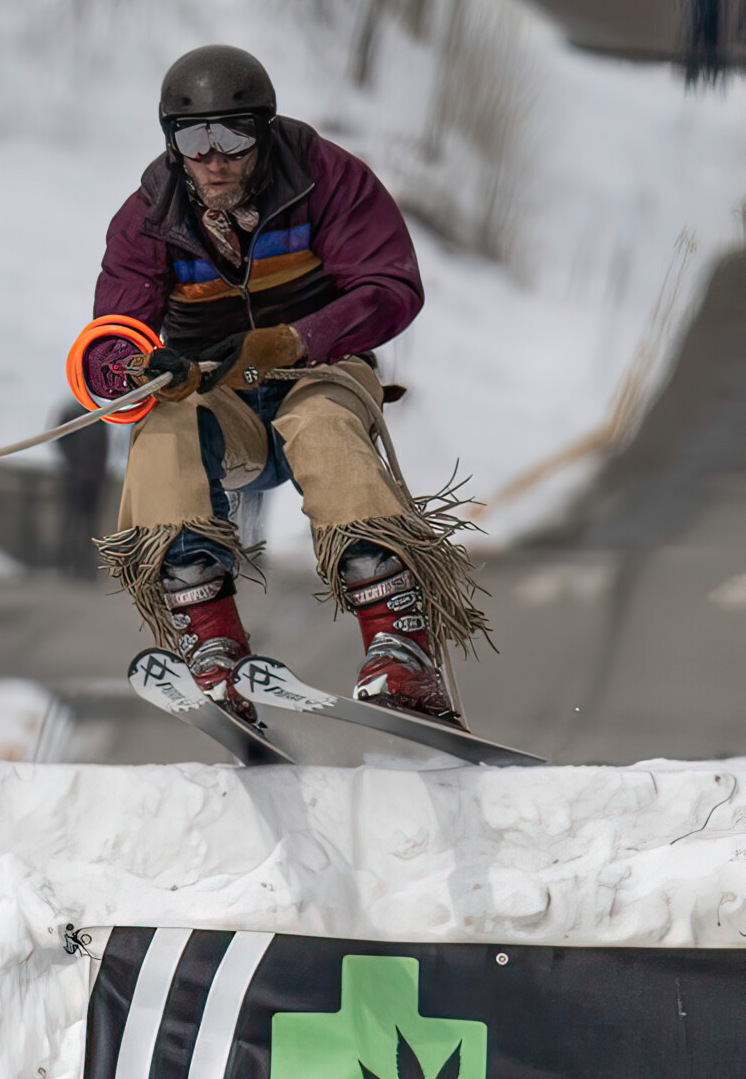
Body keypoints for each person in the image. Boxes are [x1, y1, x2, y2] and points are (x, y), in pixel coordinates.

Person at [82, 44, 489, 728]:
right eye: (195, 138)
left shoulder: (328, 179)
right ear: (172, 142)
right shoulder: (146, 220)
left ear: (264, 131)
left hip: (322, 372)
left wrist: (298, 338)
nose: (215, 158)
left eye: (233, 136)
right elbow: (112, 342)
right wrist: (144, 368)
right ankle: (211, 642)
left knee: (323, 424)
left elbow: (393, 286)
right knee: (164, 427)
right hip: (218, 400)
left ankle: (400, 647)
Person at [51, 397, 109, 578]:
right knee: (72, 522)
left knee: (88, 524)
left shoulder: (98, 416)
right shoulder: (72, 413)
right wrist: (73, 465)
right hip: (75, 477)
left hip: (92, 479)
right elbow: (61, 440)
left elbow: (104, 448)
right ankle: (68, 565)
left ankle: (86, 566)